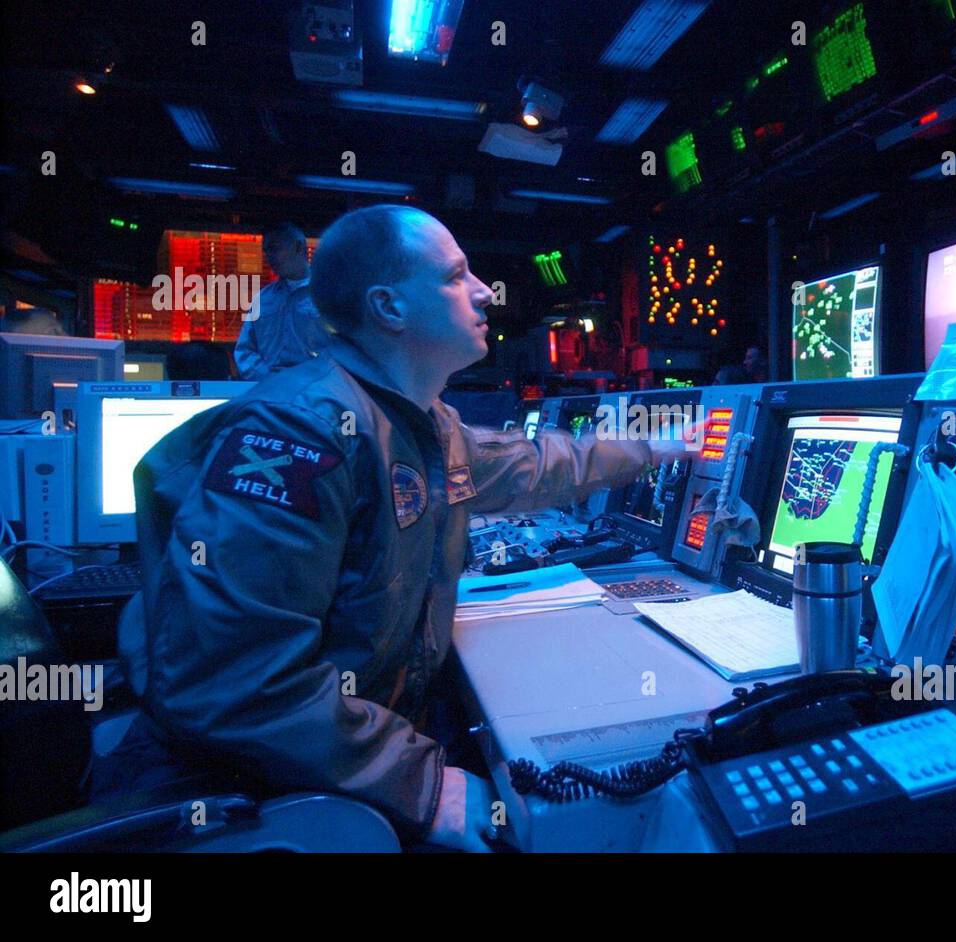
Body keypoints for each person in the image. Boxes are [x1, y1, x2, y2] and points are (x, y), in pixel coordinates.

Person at [105, 205, 683, 851]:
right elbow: (234, 679)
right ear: (390, 308)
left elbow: (534, 464)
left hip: (329, 752)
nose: (485, 291)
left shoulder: (420, 423)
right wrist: (423, 783)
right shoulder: (297, 434)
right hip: (233, 790)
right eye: (456, 274)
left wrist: (659, 446)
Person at [233, 223, 327, 380]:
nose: (269, 256)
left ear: (298, 247)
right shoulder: (263, 299)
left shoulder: (329, 296)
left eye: (274, 248)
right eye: (266, 251)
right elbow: (245, 350)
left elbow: (344, 349)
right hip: (269, 392)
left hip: (314, 394)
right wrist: (266, 378)